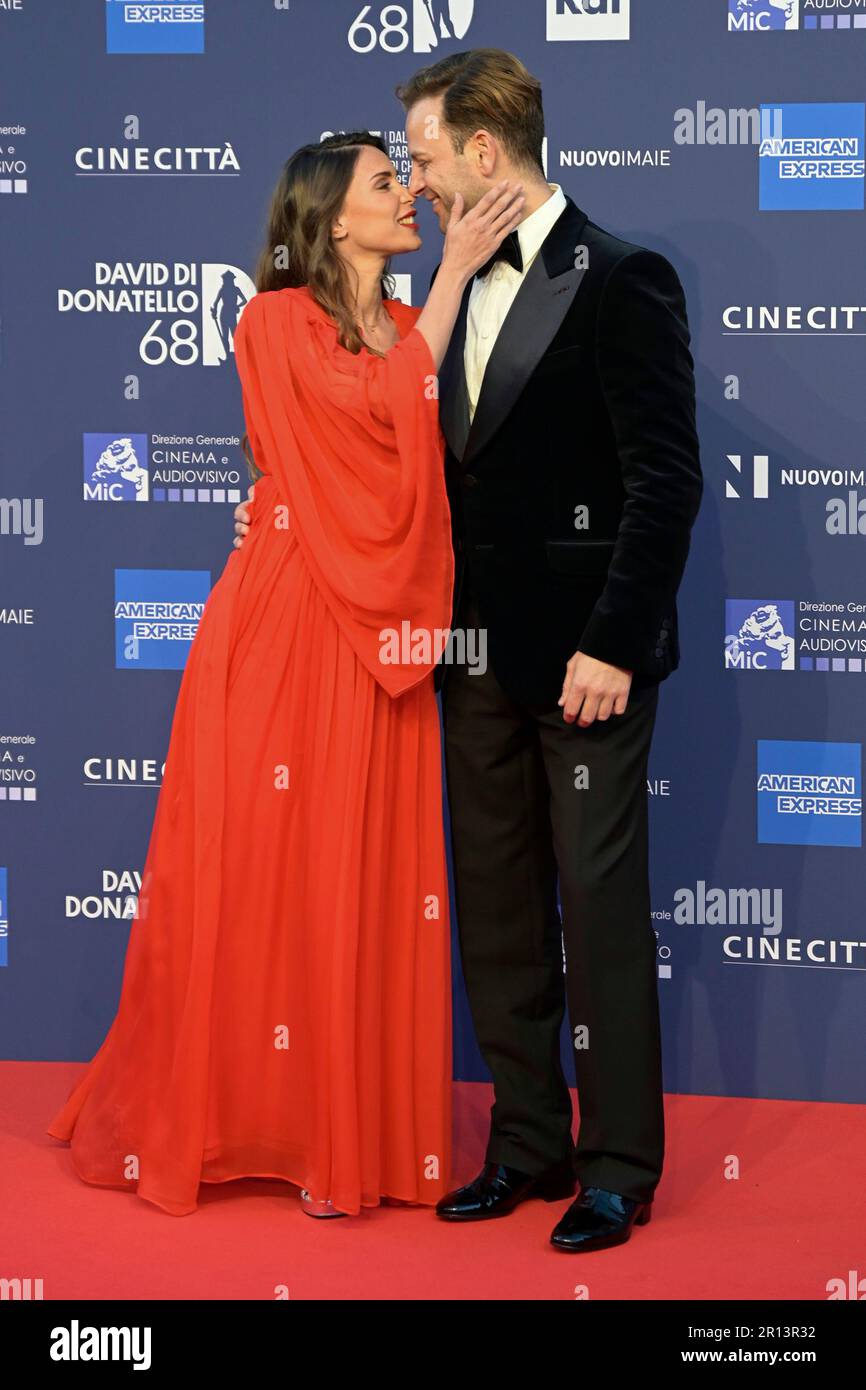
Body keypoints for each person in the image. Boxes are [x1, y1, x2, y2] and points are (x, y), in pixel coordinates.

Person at [235, 50, 703, 1253]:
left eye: (428, 155)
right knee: (496, 912)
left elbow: (663, 486)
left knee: (597, 910)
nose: (421, 177)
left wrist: (609, 642)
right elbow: (369, 452)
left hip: (585, 666)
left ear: (481, 152)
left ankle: (615, 1167)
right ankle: (528, 1142)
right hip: (467, 657)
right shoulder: (401, 314)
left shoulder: (623, 278)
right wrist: (277, 496)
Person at [47, 131, 524, 1219]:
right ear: (328, 216)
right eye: (382, 183)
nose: (406, 194)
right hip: (282, 622)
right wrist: (452, 272)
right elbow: (373, 410)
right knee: (257, 871)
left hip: (384, 639)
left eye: (403, 177)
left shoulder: (408, 323)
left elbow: (408, 442)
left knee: (356, 876)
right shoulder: (271, 320)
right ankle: (230, 1118)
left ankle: (334, 1134)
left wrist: (443, 288)